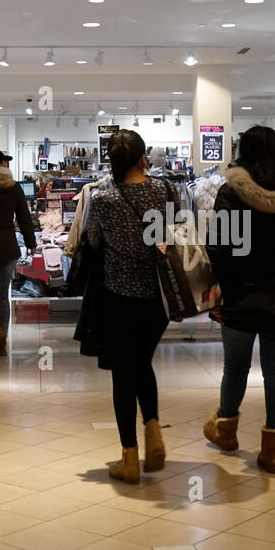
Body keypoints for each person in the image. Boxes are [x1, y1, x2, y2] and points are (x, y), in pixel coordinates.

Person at [203, 126, 275, 474]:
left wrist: (225, 281)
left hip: (240, 292)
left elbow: (220, 246)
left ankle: (226, 429)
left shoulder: (233, 193)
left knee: (236, 364)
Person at [83, 129, 173, 483]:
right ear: (141, 157)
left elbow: (92, 239)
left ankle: (130, 457)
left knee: (124, 373)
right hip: (159, 297)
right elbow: (176, 231)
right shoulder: (163, 190)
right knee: (143, 363)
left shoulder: (103, 198)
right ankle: (153, 430)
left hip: (118, 295)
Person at [0, 146, 37, 357]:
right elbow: (24, 217)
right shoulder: (13, 186)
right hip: (8, 247)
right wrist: (31, 242)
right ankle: (1, 339)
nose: (6, 164)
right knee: (1, 296)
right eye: (4, 161)